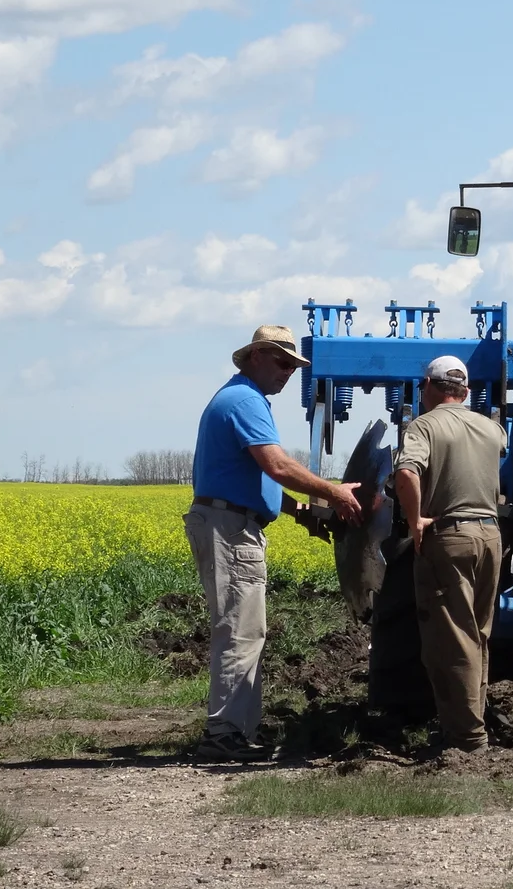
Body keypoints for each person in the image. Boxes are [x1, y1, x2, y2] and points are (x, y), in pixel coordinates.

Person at [188, 325, 362, 762]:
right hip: (231, 528)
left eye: (294, 367)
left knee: (248, 630)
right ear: (256, 356)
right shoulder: (246, 400)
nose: (288, 373)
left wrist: (299, 512)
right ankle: (223, 735)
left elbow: (255, 477)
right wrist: (335, 492)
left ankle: (238, 732)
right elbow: (278, 465)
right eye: (283, 363)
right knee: (239, 631)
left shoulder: (240, 397)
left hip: (230, 519)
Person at [394, 355, 506, 753]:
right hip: (491, 537)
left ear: (428, 385)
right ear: (467, 391)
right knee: (477, 636)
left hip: (450, 537)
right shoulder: (493, 430)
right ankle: (469, 726)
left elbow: (406, 472)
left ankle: (467, 739)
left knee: (451, 641)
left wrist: (415, 521)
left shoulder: (423, 426)